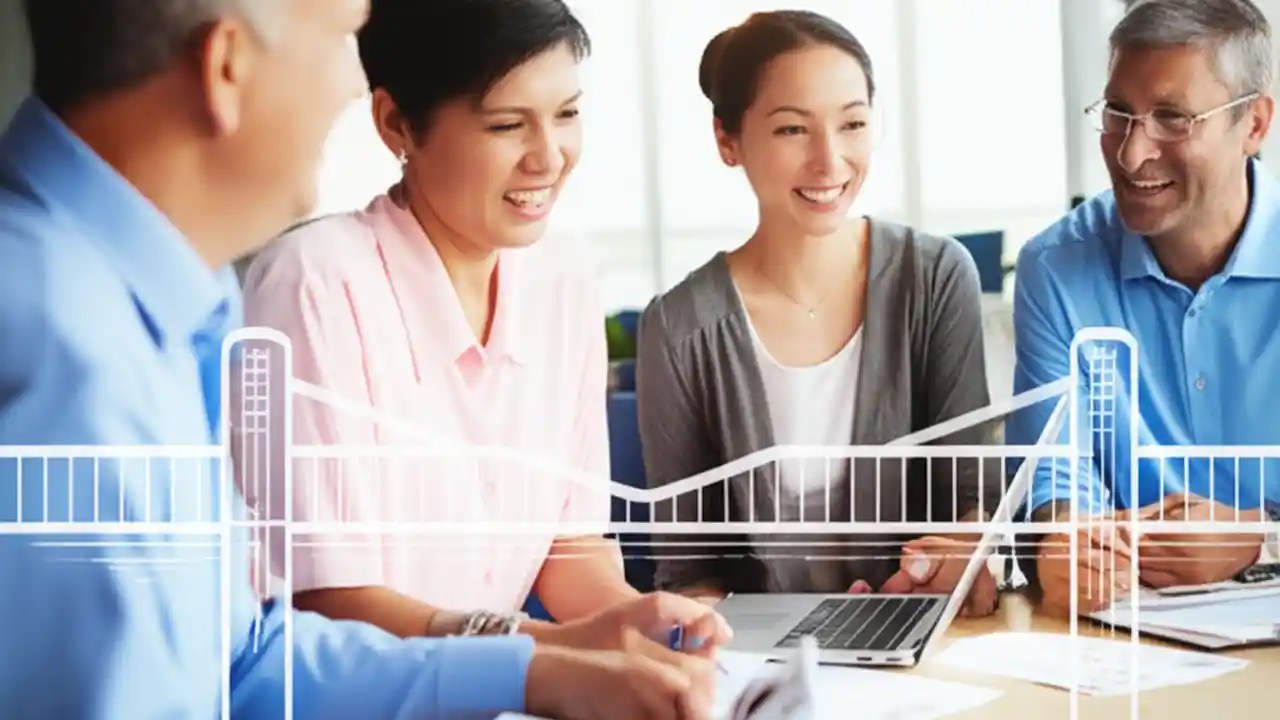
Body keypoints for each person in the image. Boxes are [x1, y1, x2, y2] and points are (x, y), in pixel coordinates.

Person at [0, 1, 716, 718]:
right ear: (226, 66)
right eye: (341, 37)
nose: (351, 81)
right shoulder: (47, 345)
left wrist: (545, 671)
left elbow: (247, 657)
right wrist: (544, 659)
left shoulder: (177, 303)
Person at [237, 0, 731, 658]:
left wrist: (654, 635)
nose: (549, 157)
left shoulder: (563, 274)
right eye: (506, 125)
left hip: (500, 690)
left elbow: (569, 545)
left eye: (567, 113)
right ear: (395, 123)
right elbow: (327, 600)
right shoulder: (315, 285)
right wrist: (551, 658)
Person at [635, 10, 999, 617]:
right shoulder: (678, 328)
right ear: (728, 140)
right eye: (791, 131)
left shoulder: (933, 278)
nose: (830, 163)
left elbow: (969, 502)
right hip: (762, 673)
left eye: (852, 124)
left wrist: (958, 559)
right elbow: (687, 570)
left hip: (922, 648)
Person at [1008, 0, 1280, 617]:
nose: (1131, 155)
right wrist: (1064, 545)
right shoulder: (1056, 269)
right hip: (1130, 638)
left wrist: (1258, 539)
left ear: (1255, 124)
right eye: (1119, 114)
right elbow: (1053, 477)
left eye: (1173, 119)